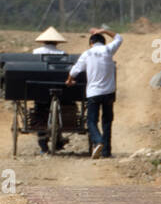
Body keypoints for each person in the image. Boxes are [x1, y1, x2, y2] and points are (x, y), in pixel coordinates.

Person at [66, 27, 122, 158]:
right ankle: (106, 152)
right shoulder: (108, 50)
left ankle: (98, 141)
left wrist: (69, 81)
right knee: (107, 121)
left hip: (93, 93)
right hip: (109, 92)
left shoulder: (87, 54)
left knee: (91, 121)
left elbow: (74, 71)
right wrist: (104, 30)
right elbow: (119, 38)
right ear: (103, 42)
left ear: (91, 43)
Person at [31, 26, 67, 154]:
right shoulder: (62, 54)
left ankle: (43, 144)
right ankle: (58, 140)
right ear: (57, 42)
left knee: (40, 110)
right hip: (57, 88)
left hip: (40, 89)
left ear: (43, 41)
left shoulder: (35, 52)